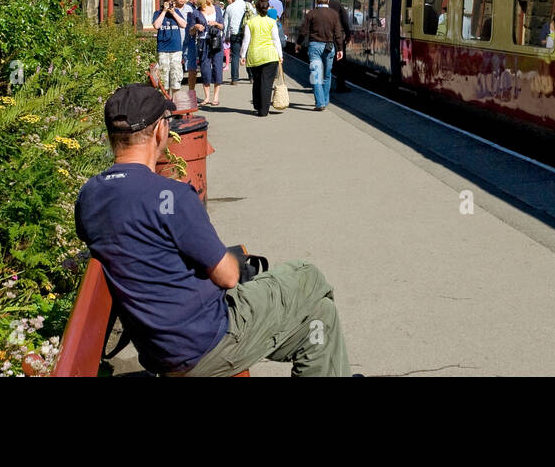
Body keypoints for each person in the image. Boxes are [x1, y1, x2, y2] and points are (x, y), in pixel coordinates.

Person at [74, 84, 350, 376]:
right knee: (308, 276)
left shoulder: (89, 196)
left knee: (321, 317)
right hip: (206, 341)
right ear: (159, 131)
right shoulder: (172, 196)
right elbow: (229, 277)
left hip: (157, 347)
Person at [297, 0, 346, 110]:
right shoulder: (334, 14)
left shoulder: (311, 13)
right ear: (328, 1)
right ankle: (325, 100)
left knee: (316, 74)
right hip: (329, 47)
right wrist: (340, 48)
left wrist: (298, 43)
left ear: (316, 1)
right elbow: (338, 33)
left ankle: (320, 103)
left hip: (314, 47)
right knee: (327, 75)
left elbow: (304, 31)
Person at [244, 0, 284, 117]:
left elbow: (246, 40)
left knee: (257, 82)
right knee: (267, 83)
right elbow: (276, 40)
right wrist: (280, 55)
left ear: (256, 8)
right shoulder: (272, 22)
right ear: (267, 9)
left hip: (254, 56)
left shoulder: (250, 22)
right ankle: (264, 110)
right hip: (270, 56)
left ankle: (257, 105)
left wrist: (242, 55)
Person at [151, 0, 188, 97]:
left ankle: (175, 101)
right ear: (164, 3)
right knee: (164, 77)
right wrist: (164, 11)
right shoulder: (158, 13)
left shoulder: (176, 13)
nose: (170, 5)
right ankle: (165, 102)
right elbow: (156, 25)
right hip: (163, 49)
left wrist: (173, 13)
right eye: (168, 3)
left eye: (172, 3)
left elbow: (184, 24)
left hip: (176, 49)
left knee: (176, 76)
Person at [193, 0, 225, 106]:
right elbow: (191, 31)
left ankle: (215, 96)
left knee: (217, 68)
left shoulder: (217, 9)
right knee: (205, 69)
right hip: (203, 42)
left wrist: (216, 23)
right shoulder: (197, 11)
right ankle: (207, 97)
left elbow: (223, 26)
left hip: (216, 41)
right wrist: (196, 26)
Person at [320, 0, 352, 93]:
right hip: (336, 38)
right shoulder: (337, 5)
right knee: (340, 63)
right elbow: (345, 20)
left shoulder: (318, 6)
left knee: (323, 62)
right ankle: (340, 85)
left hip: (321, 38)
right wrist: (348, 35)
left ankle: (321, 87)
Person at [175, 0, 201, 94]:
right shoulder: (171, 10)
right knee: (175, 70)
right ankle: (176, 93)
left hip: (189, 41)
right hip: (175, 43)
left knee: (192, 68)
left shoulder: (191, 10)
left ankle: (191, 92)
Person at [223, 0, 250, 86]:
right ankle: (251, 77)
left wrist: (226, 36)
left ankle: (234, 79)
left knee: (235, 56)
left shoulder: (230, 7)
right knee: (247, 54)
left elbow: (225, 23)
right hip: (247, 33)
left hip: (234, 33)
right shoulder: (248, 6)